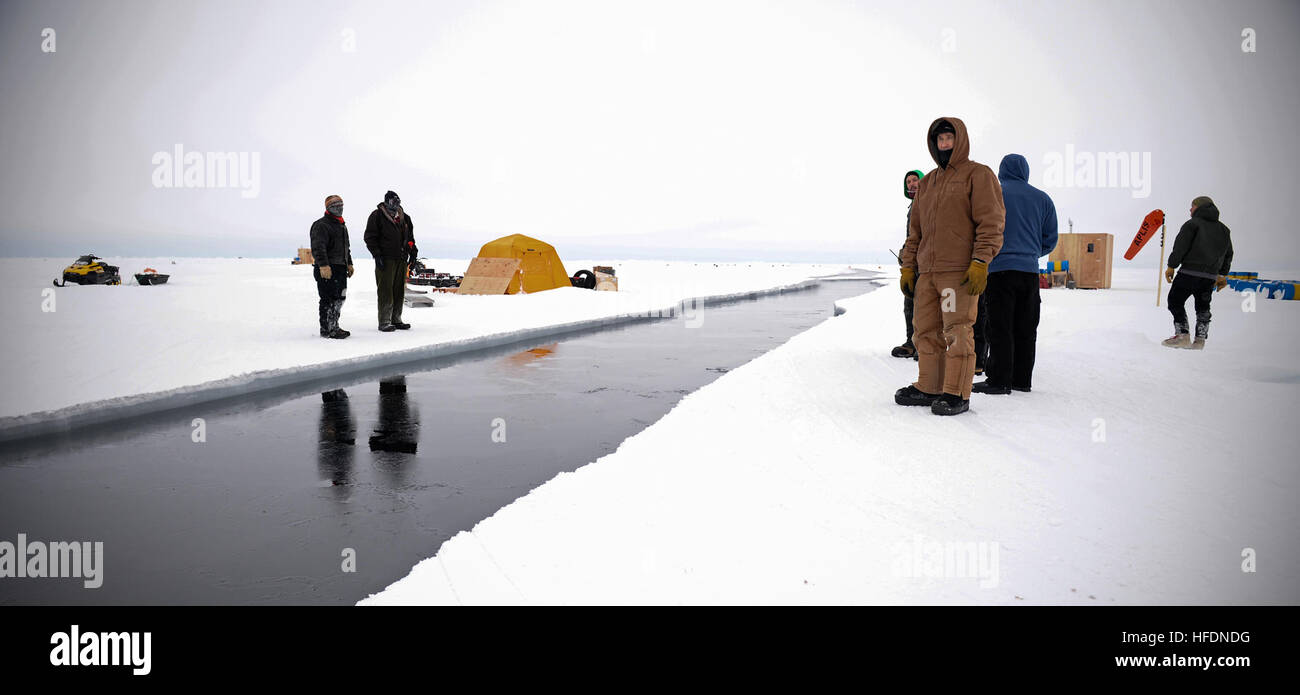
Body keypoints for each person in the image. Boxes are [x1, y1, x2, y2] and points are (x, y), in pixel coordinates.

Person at [895, 117, 1005, 416]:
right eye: (940, 140)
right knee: (925, 331)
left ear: (960, 140)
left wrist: (981, 261)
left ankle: (957, 393)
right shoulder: (928, 181)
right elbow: (915, 232)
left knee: (957, 331)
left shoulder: (978, 175)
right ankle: (929, 386)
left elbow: (991, 222)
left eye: (949, 139)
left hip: (957, 273)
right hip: (927, 273)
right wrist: (908, 267)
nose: (944, 145)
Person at [973, 154, 1058, 394]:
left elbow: (978, 229)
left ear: (1001, 170)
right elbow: (1050, 239)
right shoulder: (1043, 199)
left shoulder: (994, 194)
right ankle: (1022, 380)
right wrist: (1030, 253)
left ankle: (999, 380)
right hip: (1029, 273)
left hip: (999, 271)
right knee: (1026, 327)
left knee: (1000, 326)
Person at [1162, 196, 1233, 350]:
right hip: (1209, 277)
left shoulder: (1192, 224)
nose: (1190, 209)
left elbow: (1180, 247)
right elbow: (1228, 254)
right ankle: (1200, 340)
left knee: (1175, 301)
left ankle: (1182, 336)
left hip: (1189, 273)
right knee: (1203, 307)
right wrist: (1222, 275)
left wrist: (1171, 266)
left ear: (1199, 207)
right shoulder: (1224, 230)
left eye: (1192, 206)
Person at [364, 190, 418, 332]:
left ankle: (396, 319)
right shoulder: (377, 216)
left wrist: (413, 253)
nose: (396, 204)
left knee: (399, 290)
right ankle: (384, 321)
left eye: (398, 201)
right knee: (385, 290)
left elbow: (410, 238)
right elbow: (370, 237)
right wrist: (377, 255)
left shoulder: (405, 218)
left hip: (401, 258)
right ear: (387, 201)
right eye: (393, 201)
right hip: (385, 259)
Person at [309, 195, 354, 339]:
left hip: (340, 267)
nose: (339, 208)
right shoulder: (321, 225)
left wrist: (349, 263)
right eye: (335, 206)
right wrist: (323, 265)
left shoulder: (341, 225)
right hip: (328, 268)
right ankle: (327, 329)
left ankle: (334, 326)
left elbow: (346, 248)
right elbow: (318, 247)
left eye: (341, 205)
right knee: (328, 299)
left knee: (339, 298)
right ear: (328, 208)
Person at [892, 169, 925, 359]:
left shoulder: (927, 203)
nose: (911, 184)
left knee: (924, 304)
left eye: (915, 180)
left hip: (924, 262)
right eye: (908, 182)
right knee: (910, 302)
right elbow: (911, 236)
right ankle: (911, 342)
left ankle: (924, 344)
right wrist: (905, 253)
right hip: (912, 262)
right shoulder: (913, 206)